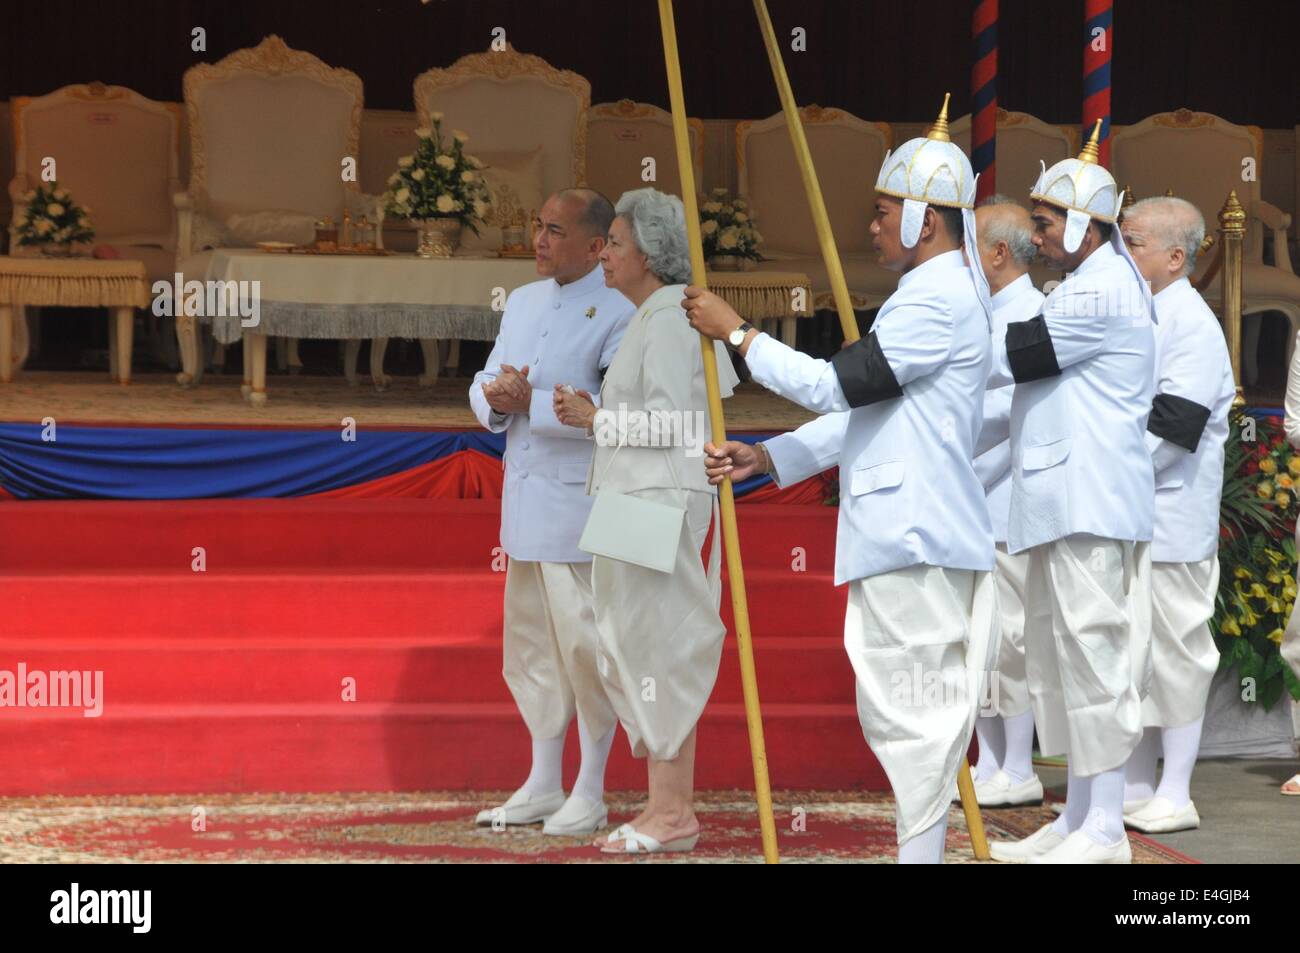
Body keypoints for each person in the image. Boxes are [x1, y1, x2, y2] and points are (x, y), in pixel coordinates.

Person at [686, 97, 999, 864]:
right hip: (910, 531)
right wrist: (774, 457)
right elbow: (875, 410)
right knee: (904, 715)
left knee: (916, 718)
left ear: (926, 221)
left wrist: (737, 331)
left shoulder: (937, 297)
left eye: (883, 210)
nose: (870, 224)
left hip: (916, 533)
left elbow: (837, 386)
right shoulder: (939, 292)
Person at [986, 122, 1156, 864]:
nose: (1037, 235)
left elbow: (1021, 353)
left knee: (1092, 655)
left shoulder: (1106, 288)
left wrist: (993, 290)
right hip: (1062, 498)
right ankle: (1080, 812)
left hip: (1090, 498)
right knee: (1058, 659)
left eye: (1047, 222)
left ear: (1086, 224)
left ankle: (1108, 827)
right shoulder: (1085, 284)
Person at [552, 187, 739, 854]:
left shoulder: (665, 318)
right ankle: (665, 803)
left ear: (650, 254)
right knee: (633, 645)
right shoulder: (655, 313)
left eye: (618, 244)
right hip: (640, 498)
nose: (605, 255)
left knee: (655, 647)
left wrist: (596, 419)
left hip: (655, 498)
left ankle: (672, 810)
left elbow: (672, 422)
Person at [468, 188, 634, 835]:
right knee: (532, 646)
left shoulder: (621, 310)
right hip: (526, 501)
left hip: (580, 507)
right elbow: (484, 381)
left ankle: (590, 786)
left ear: (595, 245)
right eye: (537, 226)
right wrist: (499, 398)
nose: (539, 239)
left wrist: (529, 400)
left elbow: (612, 413)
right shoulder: (523, 299)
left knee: (586, 650)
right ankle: (543, 778)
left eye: (555, 230)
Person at [1115, 197, 1235, 832]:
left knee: (1178, 653)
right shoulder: (1142, 313)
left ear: (1175, 257)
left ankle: (1178, 789)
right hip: (1134, 512)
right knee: (1134, 654)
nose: (1121, 253)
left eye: (1132, 243)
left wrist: (1107, 478)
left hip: (1171, 517)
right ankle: (1137, 783)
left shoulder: (1190, 322)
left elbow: (1175, 428)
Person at [968, 196, 1047, 807]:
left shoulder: (1029, 316)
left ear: (998, 252)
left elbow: (1009, 416)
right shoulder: (986, 311)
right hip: (973, 495)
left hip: (1002, 498)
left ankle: (1018, 764)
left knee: (1009, 640)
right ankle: (991, 758)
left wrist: (958, 471)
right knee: (980, 640)